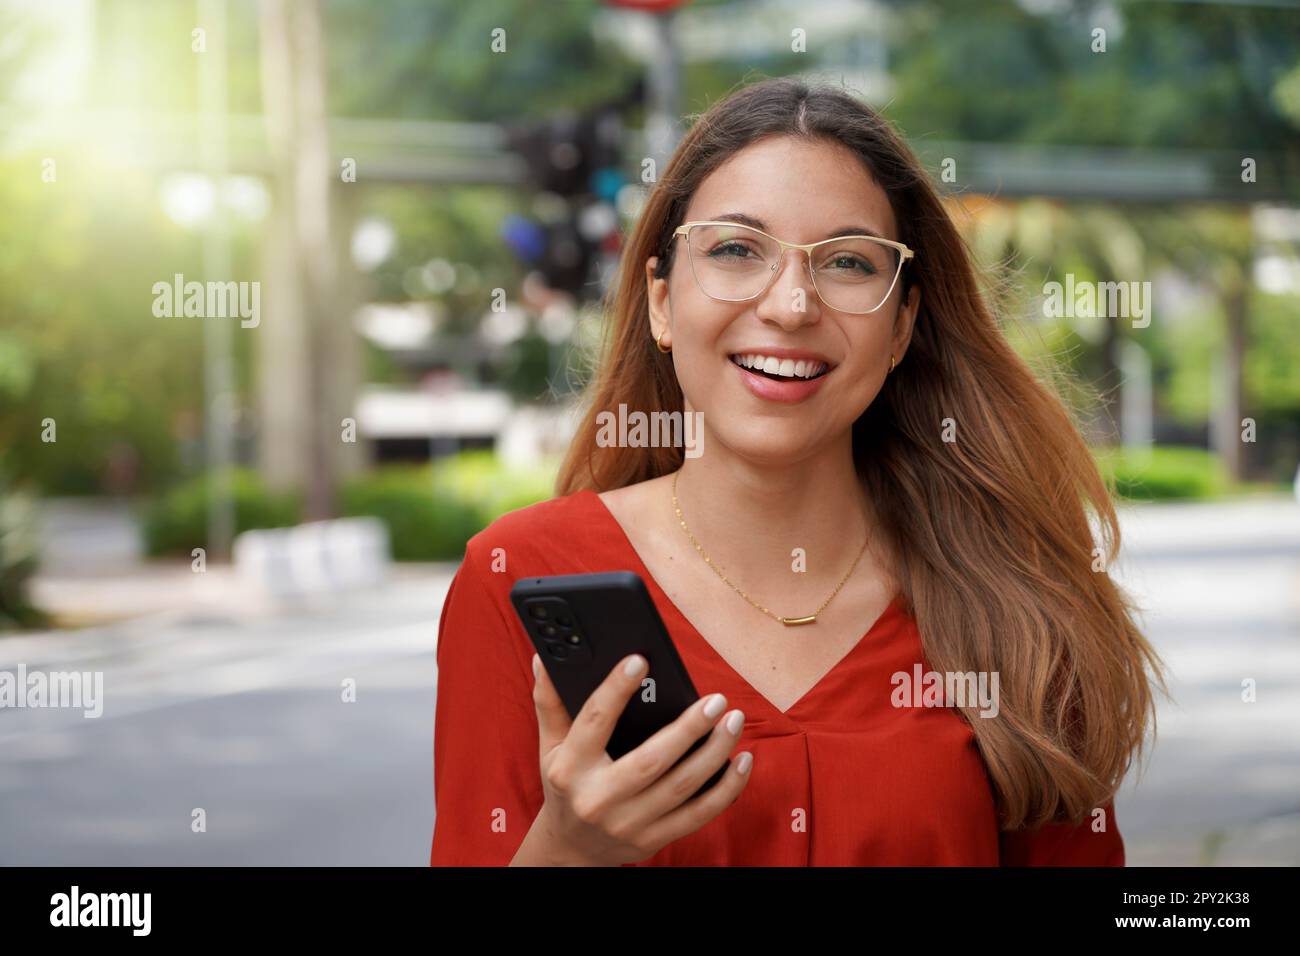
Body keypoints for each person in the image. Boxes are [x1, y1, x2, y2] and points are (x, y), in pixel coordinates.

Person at [430, 76, 1167, 866]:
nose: (791, 304)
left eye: (848, 262)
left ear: (902, 323)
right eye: (737, 249)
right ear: (661, 302)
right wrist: (569, 852)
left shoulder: (1012, 600)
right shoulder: (522, 576)